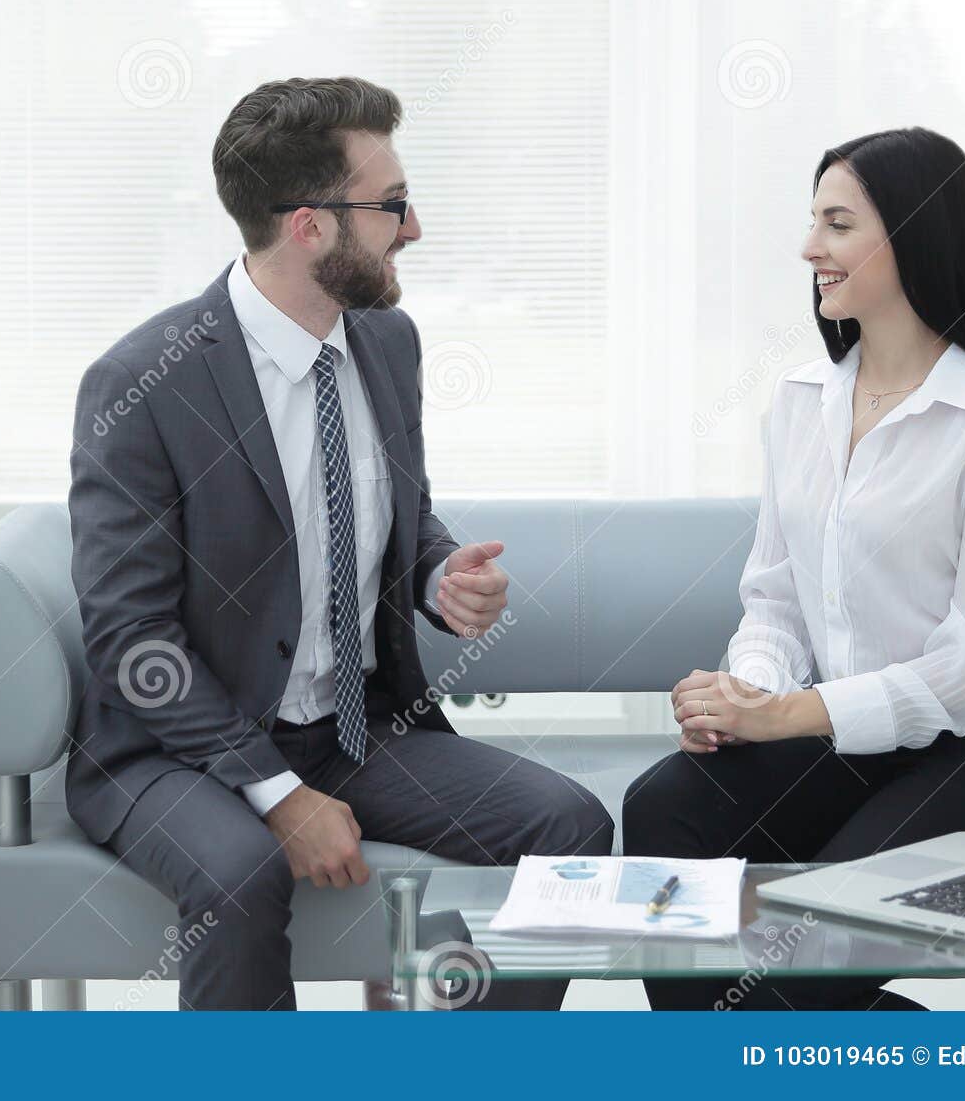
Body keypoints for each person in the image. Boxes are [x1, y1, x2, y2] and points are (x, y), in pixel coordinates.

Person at [67, 76, 613, 1010]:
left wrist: (437, 575)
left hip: (355, 727)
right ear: (310, 225)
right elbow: (134, 642)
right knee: (242, 875)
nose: (415, 228)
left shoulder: (387, 343)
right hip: (181, 748)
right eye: (393, 205)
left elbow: (399, 514)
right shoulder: (143, 385)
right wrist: (278, 792)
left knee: (572, 823)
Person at [622, 127, 965, 1011]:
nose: (809, 248)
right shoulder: (801, 402)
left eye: (837, 224)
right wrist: (745, 696)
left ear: (912, 236)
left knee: (800, 948)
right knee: (664, 812)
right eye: (813, 222)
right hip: (846, 727)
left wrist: (790, 713)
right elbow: (775, 600)